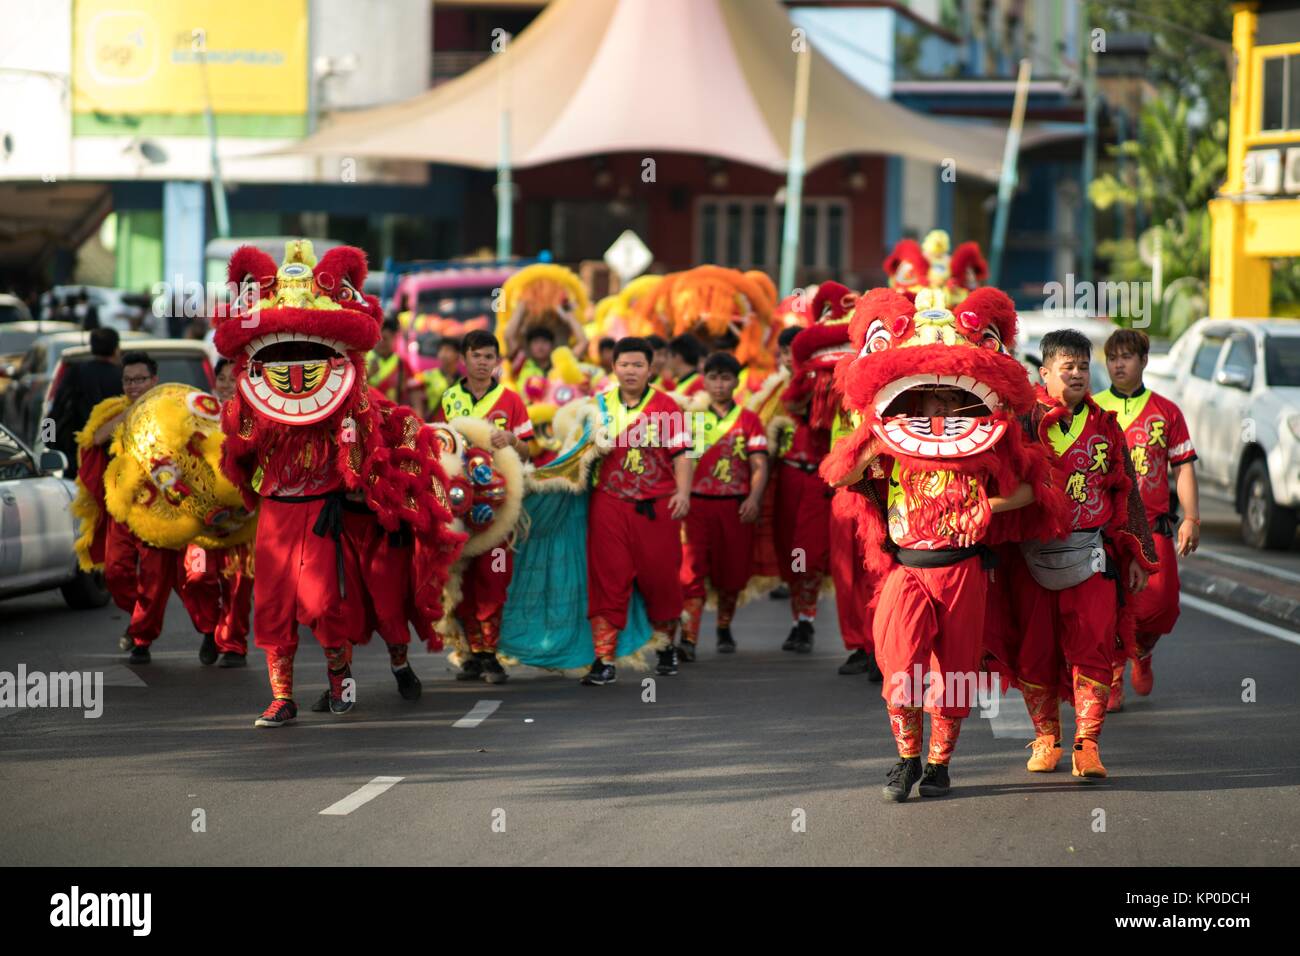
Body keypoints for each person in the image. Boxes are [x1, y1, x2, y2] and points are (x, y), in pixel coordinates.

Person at [1011, 330, 1157, 780]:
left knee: (1092, 647)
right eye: (1066, 366)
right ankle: (1047, 737)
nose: (1076, 373)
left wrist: (1135, 552)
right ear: (1045, 373)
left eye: (1081, 366)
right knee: (1033, 653)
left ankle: (1086, 744)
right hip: (1031, 558)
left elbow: (1126, 490)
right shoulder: (1021, 422)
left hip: (1090, 555)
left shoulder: (1106, 425)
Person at [89, 352, 222, 664]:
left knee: (188, 579)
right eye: (128, 380)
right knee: (118, 573)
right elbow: (94, 438)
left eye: (141, 380)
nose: (134, 385)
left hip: (174, 510)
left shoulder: (175, 411)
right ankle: (140, 626)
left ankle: (199, 632)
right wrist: (132, 413)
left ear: (154, 380)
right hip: (130, 511)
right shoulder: (114, 411)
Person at [1096, 329, 1199, 707]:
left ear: (1144, 362)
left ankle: (1143, 649)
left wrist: (1192, 518)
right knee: (1106, 606)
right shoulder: (1093, 408)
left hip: (1154, 527)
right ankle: (1114, 674)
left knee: (1162, 606)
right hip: (1104, 530)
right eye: (1112, 358)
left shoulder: (1166, 412)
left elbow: (1183, 467)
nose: (1118, 364)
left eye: (1126, 357)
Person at [583, 337, 694, 685]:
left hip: (657, 506)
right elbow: (577, 457)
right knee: (608, 579)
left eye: (638, 365)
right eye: (624, 364)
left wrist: (684, 493)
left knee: (660, 579)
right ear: (613, 367)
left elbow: (684, 454)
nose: (630, 371)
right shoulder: (596, 406)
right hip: (609, 505)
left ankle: (665, 647)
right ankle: (604, 659)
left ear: (650, 368)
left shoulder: (669, 407)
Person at [433, 329, 532, 681]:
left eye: (489, 356)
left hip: (498, 504)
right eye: (476, 356)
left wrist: (513, 440)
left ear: (497, 361)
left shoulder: (511, 400)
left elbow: (530, 450)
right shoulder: (449, 397)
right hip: (459, 503)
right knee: (460, 576)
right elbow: (437, 444)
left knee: (494, 574)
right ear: (465, 359)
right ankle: (470, 651)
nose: (482, 362)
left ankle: (490, 653)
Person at [678, 352, 769, 657]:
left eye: (725, 378)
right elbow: (681, 461)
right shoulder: (691, 418)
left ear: (735, 381)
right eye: (713, 378)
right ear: (704, 380)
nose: (719, 385)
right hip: (697, 506)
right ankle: (688, 639)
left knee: (732, 574)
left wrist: (754, 498)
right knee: (690, 573)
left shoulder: (748, 419)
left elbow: (759, 464)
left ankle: (723, 626)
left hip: (734, 506)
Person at [771, 325, 832, 652]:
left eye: (794, 352)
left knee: (809, 553)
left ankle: (807, 620)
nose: (788, 358)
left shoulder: (825, 382)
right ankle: (798, 620)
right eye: (784, 352)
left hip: (817, 479)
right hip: (785, 479)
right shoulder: (768, 393)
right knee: (788, 553)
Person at [208, 359, 254, 667]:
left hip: (243, 518)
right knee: (198, 578)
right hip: (202, 519)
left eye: (232, 378)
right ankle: (209, 627)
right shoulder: (196, 414)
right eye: (221, 378)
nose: (226, 383)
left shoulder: (254, 416)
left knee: (239, 582)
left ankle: (232, 644)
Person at [49, 327, 122, 479]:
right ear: (116, 349)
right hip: (114, 460)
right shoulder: (125, 379)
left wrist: (47, 445)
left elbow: (54, 413)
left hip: (76, 459)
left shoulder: (75, 373)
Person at [367, 317, 422, 411]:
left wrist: (418, 414)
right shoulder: (364, 358)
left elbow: (415, 392)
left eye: (385, 338)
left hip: (391, 415)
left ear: (394, 338)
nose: (381, 342)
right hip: (367, 412)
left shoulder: (402, 364)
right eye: (378, 338)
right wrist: (369, 374)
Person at [422, 335, 463, 418]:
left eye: (448, 350)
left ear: (458, 354)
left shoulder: (464, 382)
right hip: (433, 424)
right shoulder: (427, 376)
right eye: (441, 350)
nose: (443, 353)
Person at [664, 333, 706, 398]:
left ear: (677, 357)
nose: (666, 362)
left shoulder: (700, 384)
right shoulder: (681, 383)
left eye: (668, 357)